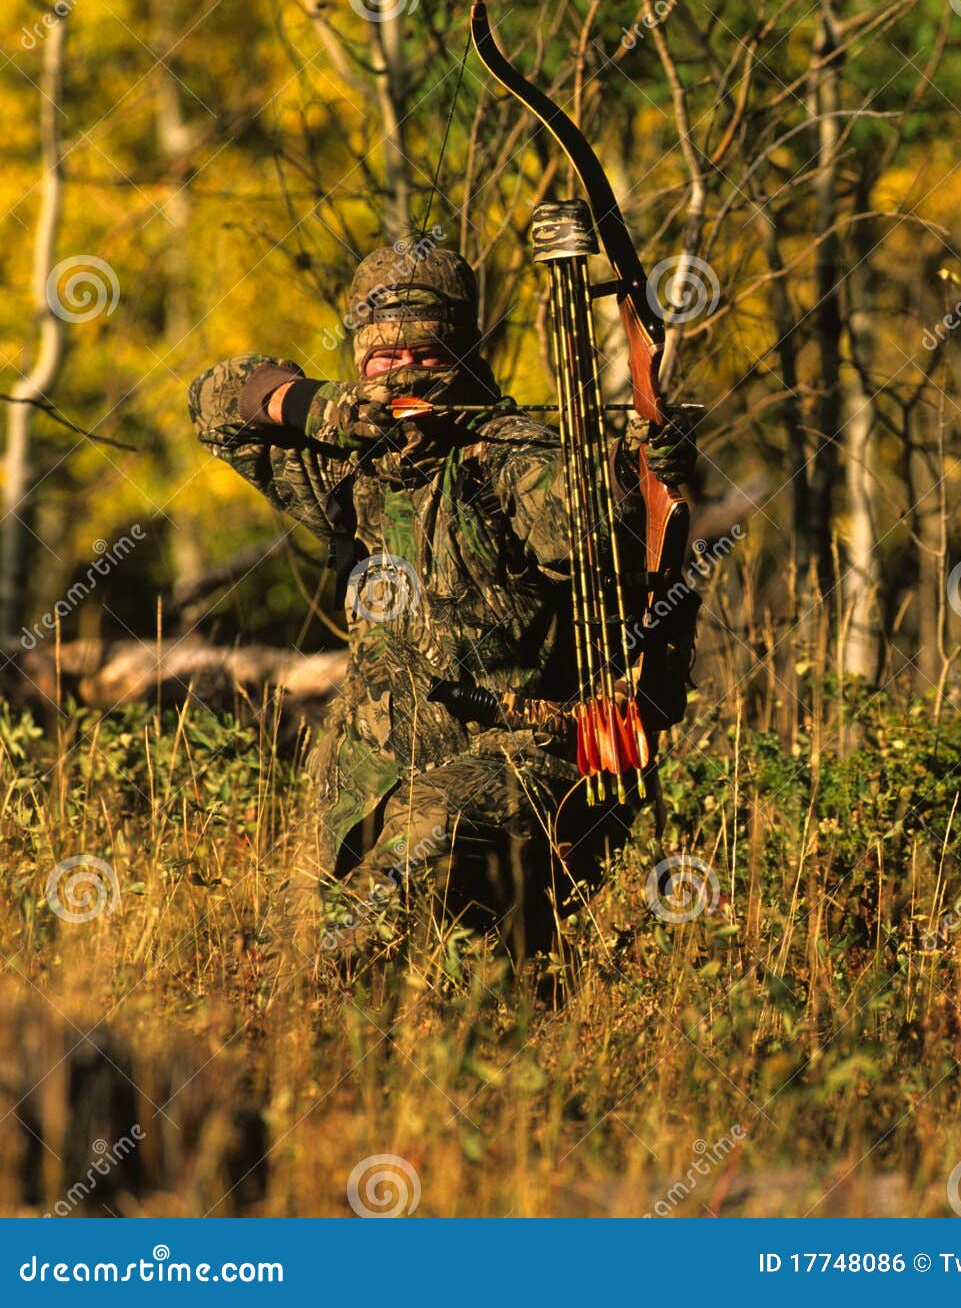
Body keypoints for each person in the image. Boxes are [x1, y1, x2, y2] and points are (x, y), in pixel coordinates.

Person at [188, 243, 696, 957]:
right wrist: (325, 408)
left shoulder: (507, 453)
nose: (404, 374)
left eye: (425, 355)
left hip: (518, 757)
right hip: (367, 776)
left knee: (383, 899)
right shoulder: (346, 459)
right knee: (289, 962)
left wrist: (629, 473)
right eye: (383, 360)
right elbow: (214, 401)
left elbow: (580, 524)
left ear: (461, 357)